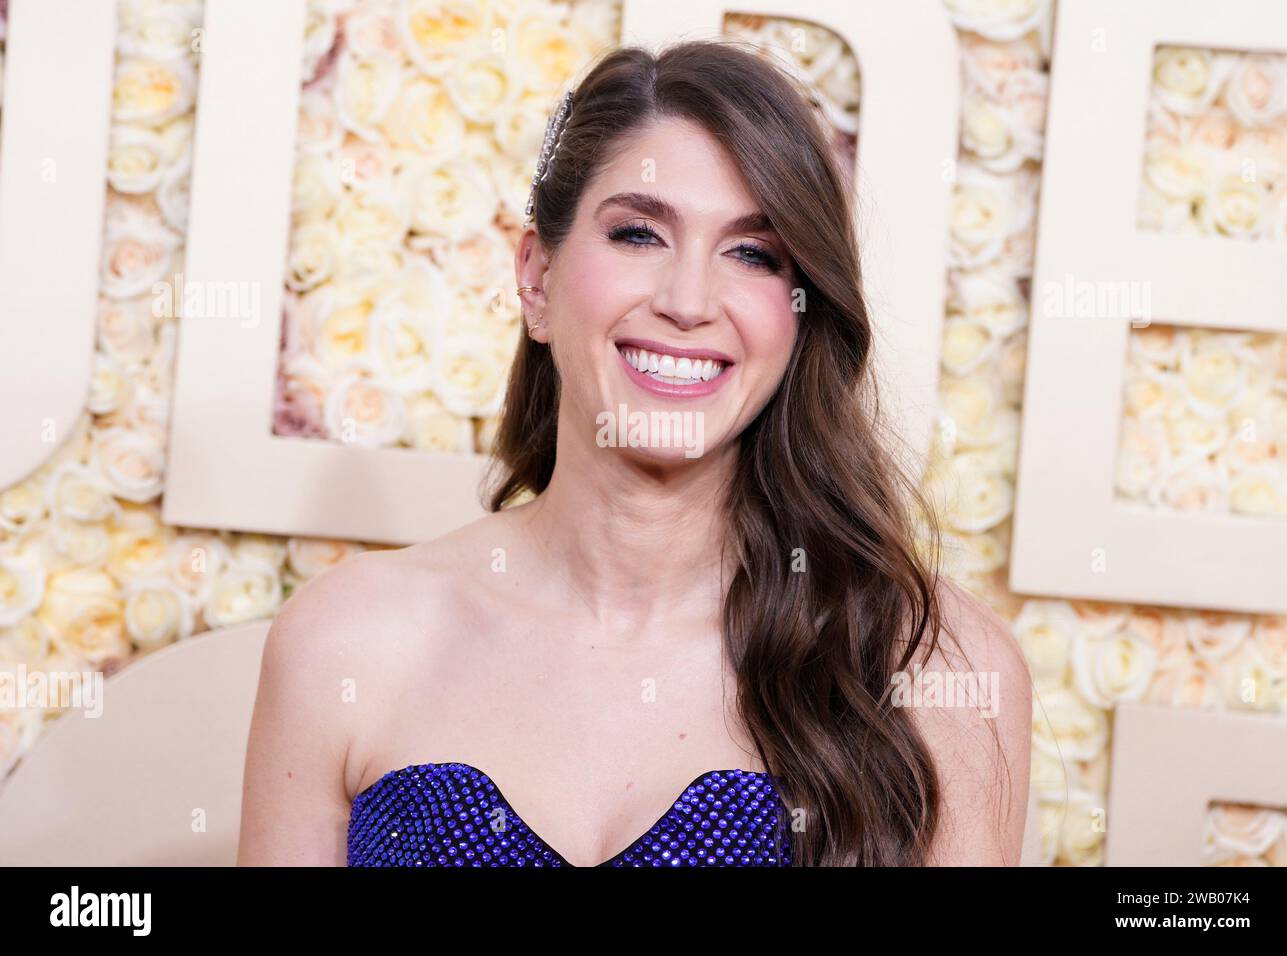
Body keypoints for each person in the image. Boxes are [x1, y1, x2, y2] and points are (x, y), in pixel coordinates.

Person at [237, 38, 1032, 867]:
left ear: (800, 314)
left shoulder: (933, 668)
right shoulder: (345, 642)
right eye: (639, 235)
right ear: (537, 277)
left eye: (752, 254)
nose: (688, 302)